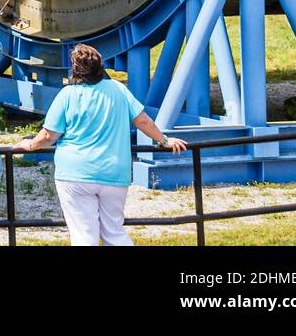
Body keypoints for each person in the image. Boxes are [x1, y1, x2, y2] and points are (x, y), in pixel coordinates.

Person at [13, 42, 187, 246]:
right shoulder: (118, 90)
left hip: (75, 174)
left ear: (75, 69)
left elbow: (48, 136)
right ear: (100, 66)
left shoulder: (67, 95)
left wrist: (29, 145)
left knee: (84, 235)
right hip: (114, 172)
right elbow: (143, 121)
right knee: (114, 232)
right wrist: (164, 140)